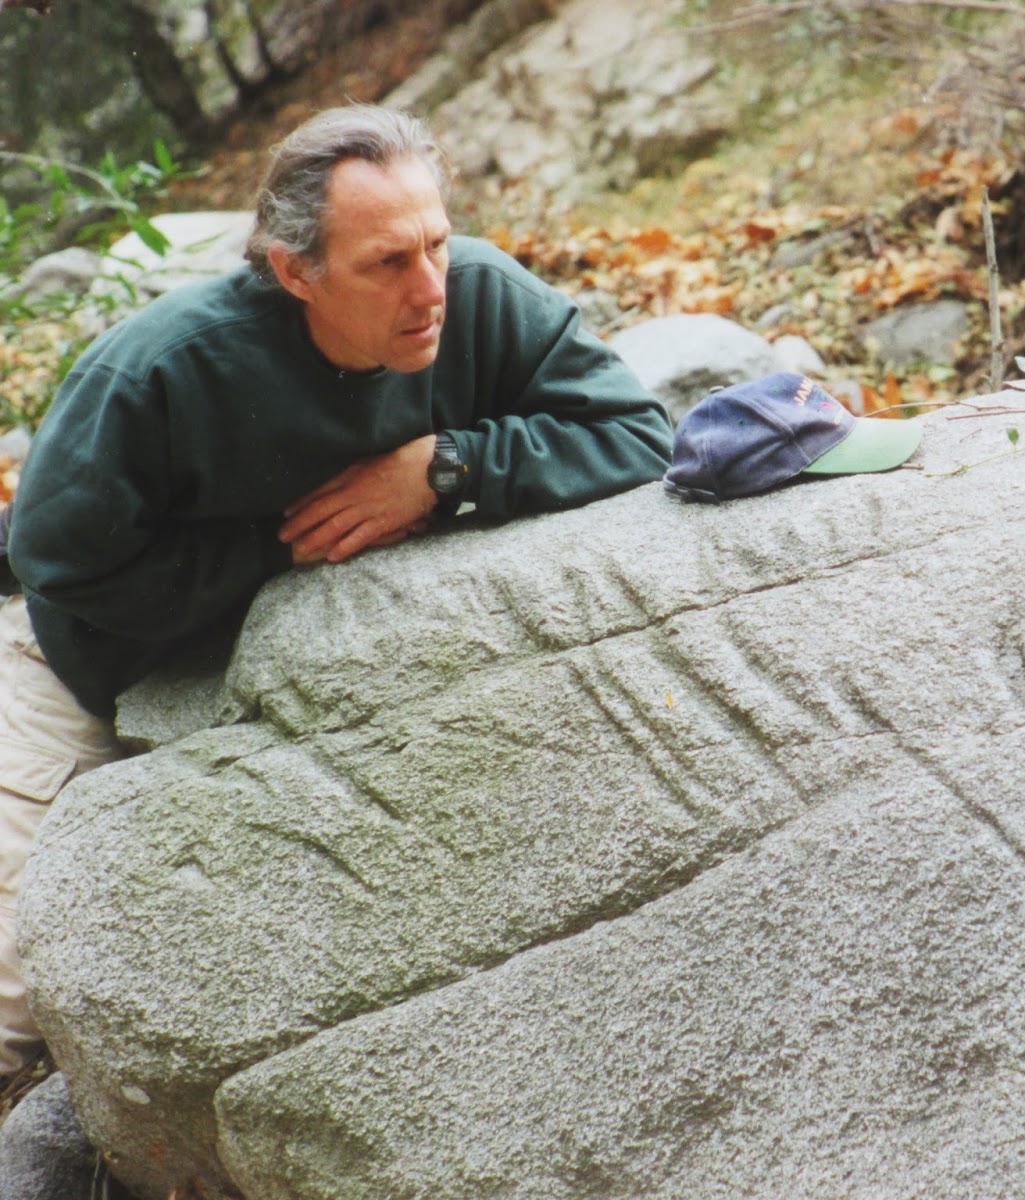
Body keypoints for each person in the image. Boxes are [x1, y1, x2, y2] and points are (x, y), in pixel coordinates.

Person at [0, 103, 671, 1101]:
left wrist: (447, 468)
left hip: (338, 666)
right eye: (388, 262)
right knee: (10, 992)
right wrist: (287, 550)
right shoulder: (158, 370)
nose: (430, 289)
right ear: (291, 269)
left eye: (437, 243)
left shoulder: (478, 295)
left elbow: (640, 435)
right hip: (91, 669)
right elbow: (61, 563)